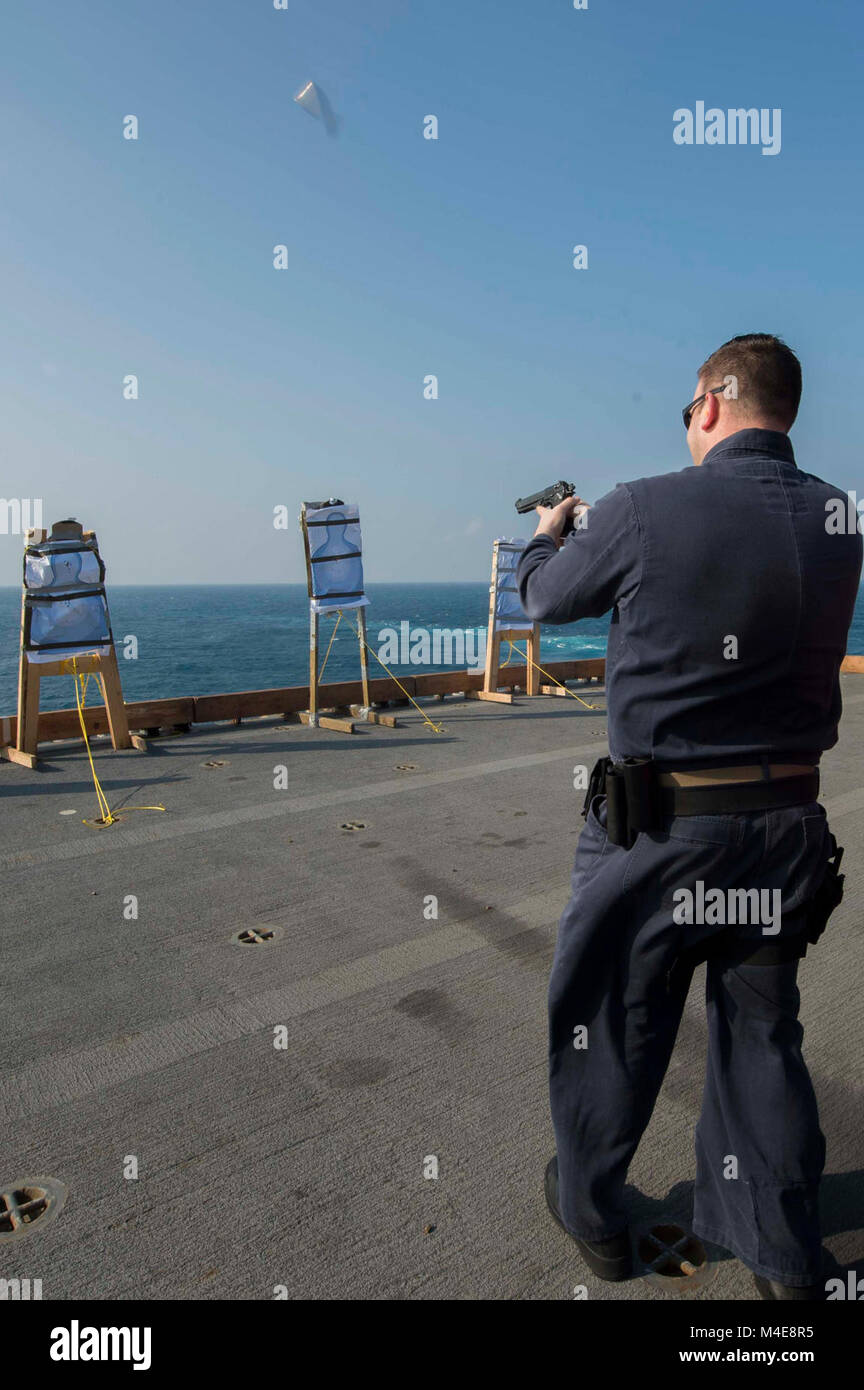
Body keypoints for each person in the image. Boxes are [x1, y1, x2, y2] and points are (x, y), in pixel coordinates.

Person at [516, 334, 862, 1299]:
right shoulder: (843, 519)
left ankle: (593, 1213)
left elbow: (544, 601)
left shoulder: (641, 505)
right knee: (761, 1037)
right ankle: (788, 1263)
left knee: (615, 1023)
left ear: (711, 400)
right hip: (786, 835)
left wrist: (555, 530)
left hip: (662, 841)